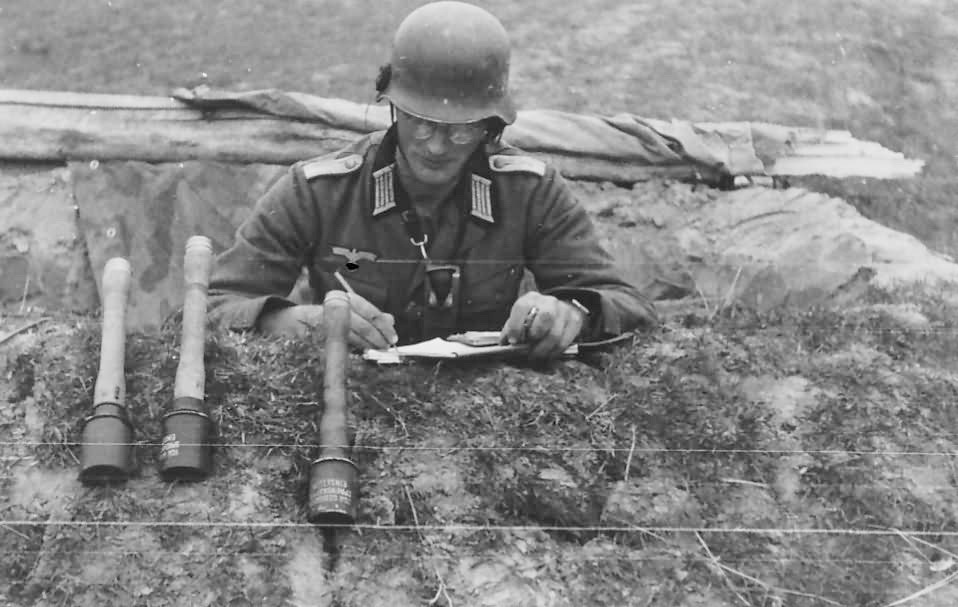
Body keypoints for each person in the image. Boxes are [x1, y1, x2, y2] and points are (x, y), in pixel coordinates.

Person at [207, 1, 657, 359]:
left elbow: (627, 303)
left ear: (489, 126)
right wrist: (298, 323)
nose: (436, 145)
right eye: (420, 121)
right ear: (393, 108)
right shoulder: (317, 191)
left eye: (461, 128)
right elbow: (211, 308)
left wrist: (570, 312)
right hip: (351, 406)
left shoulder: (530, 191)